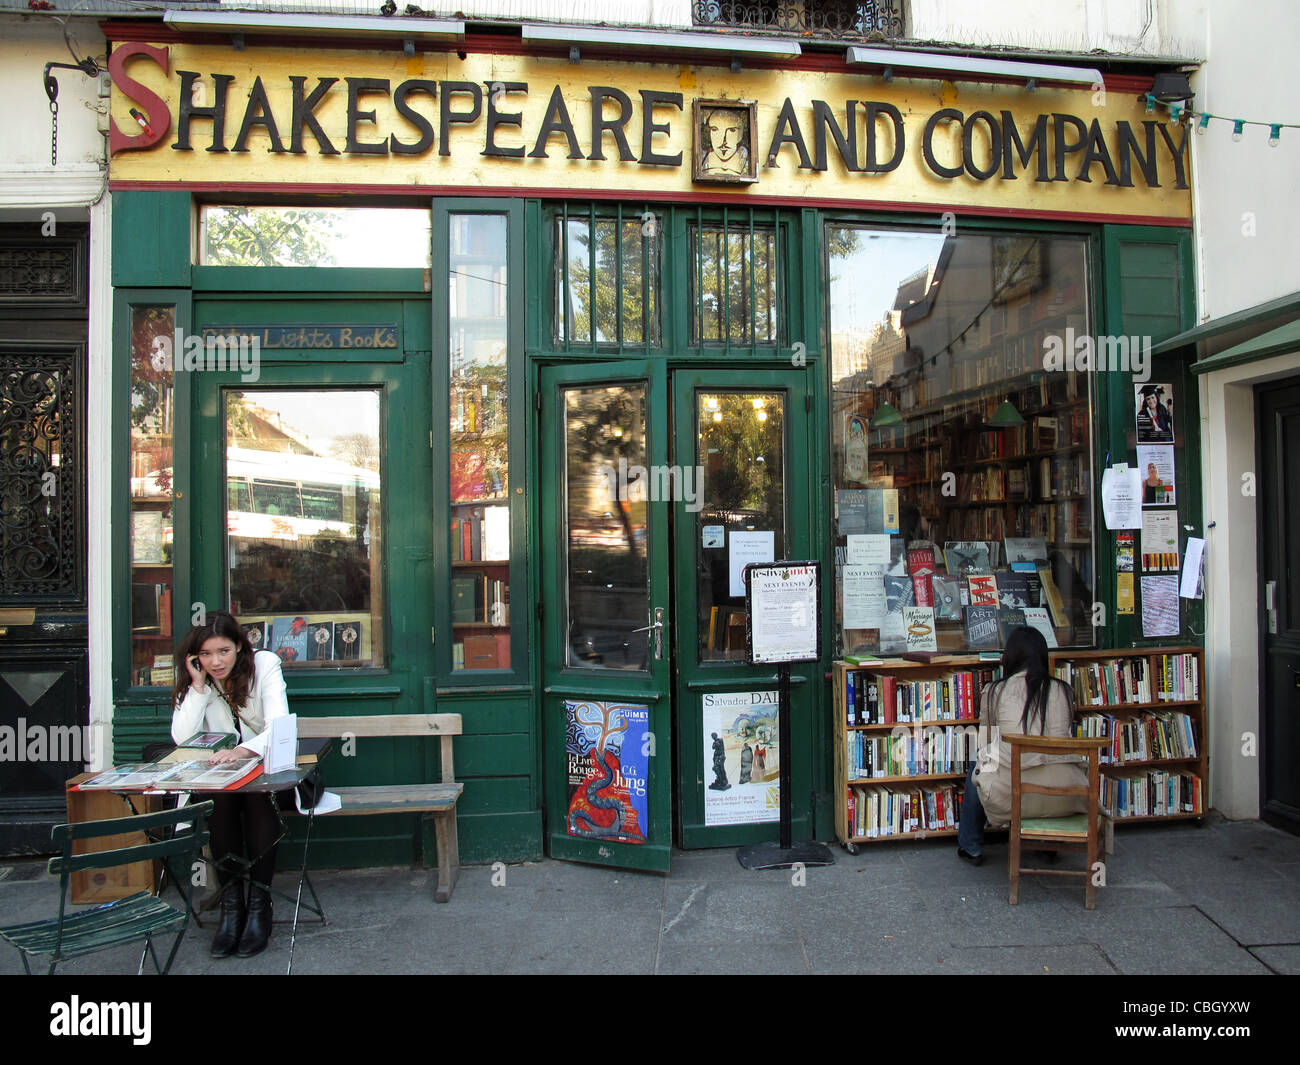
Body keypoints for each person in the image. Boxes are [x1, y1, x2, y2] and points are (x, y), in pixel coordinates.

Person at [170, 610, 290, 957]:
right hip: (222, 782)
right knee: (220, 798)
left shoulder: (264, 664)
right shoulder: (202, 681)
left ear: (239, 646)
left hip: (269, 773)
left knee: (255, 797)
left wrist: (240, 751)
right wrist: (198, 686)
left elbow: (279, 726)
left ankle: (259, 906)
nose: (215, 661)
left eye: (223, 651)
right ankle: (232, 906)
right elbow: (182, 738)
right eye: (205, 654)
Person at [957, 625, 1088, 865]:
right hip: (1068, 790)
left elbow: (986, 741)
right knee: (1046, 765)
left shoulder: (996, 690)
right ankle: (1047, 842)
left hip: (1013, 790)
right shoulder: (1064, 691)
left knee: (979, 761)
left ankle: (971, 845)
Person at [701, 108, 749, 176]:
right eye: (715, 130)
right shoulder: (704, 159)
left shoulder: (745, 160)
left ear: (740, 135)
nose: (723, 140)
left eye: (731, 130)